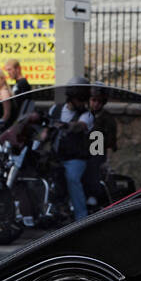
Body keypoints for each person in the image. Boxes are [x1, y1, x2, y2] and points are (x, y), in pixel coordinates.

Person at [48, 77, 94, 222]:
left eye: (84, 99)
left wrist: (68, 126)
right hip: (54, 156)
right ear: (72, 98)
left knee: (72, 178)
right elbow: (45, 128)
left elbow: (81, 126)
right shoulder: (55, 109)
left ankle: (82, 217)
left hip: (75, 158)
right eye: (80, 99)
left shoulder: (87, 115)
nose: (83, 103)